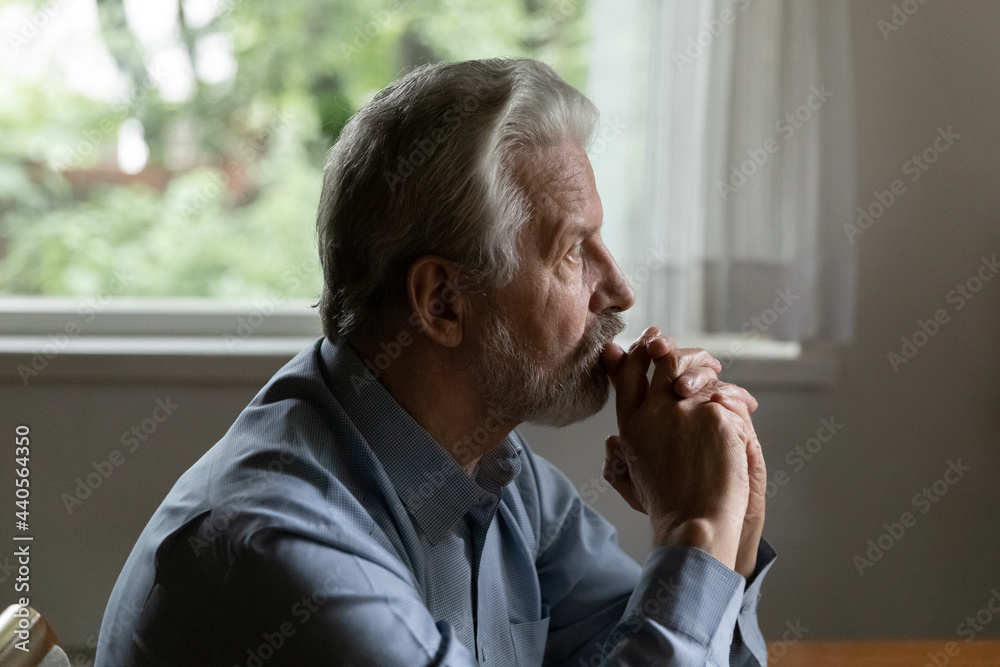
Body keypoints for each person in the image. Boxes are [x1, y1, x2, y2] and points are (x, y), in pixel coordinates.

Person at [96, 57, 774, 666]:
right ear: (443, 301)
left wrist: (728, 543)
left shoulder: (506, 481)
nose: (620, 289)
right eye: (573, 250)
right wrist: (694, 534)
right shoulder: (278, 547)